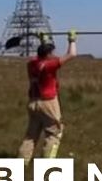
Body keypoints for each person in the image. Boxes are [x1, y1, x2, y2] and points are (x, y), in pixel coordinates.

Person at [18, 29, 77, 162]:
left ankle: (21, 163)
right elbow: (71, 54)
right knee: (54, 134)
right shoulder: (50, 65)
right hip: (48, 103)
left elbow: (42, 56)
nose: (54, 55)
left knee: (31, 136)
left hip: (33, 102)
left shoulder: (32, 64)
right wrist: (72, 40)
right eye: (52, 53)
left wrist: (43, 41)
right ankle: (47, 165)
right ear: (48, 54)